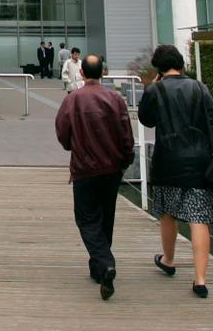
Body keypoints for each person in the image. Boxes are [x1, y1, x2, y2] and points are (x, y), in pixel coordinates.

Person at [138, 43, 213, 299]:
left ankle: (168, 259)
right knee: (199, 219)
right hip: (200, 161)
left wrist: (151, 88)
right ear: (181, 64)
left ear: (159, 68)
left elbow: (146, 119)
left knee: (168, 213)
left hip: (168, 159)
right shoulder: (199, 87)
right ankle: (200, 279)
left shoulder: (156, 90)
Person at [54, 53, 133, 299]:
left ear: (81, 72)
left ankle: (104, 262)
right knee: (106, 216)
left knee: (87, 219)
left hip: (84, 168)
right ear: (103, 73)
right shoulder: (115, 99)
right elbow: (126, 134)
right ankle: (99, 266)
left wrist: (73, 146)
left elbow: (62, 132)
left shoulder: (73, 100)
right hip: (111, 168)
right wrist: (125, 159)